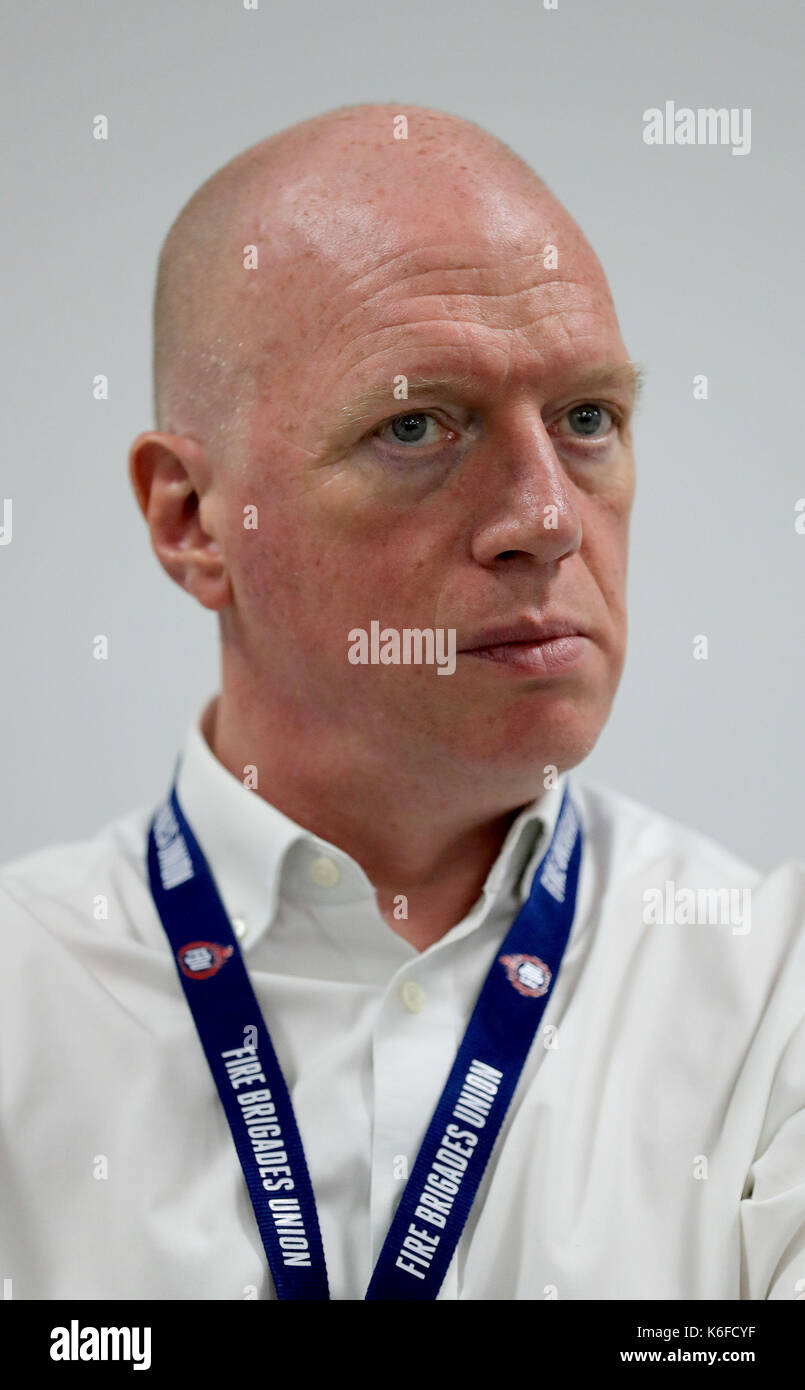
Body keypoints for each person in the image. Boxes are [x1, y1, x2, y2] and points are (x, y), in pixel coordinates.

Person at [1, 102, 803, 1302]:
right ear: (190, 518)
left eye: (589, 419)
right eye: (418, 425)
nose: (544, 518)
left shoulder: (771, 998)